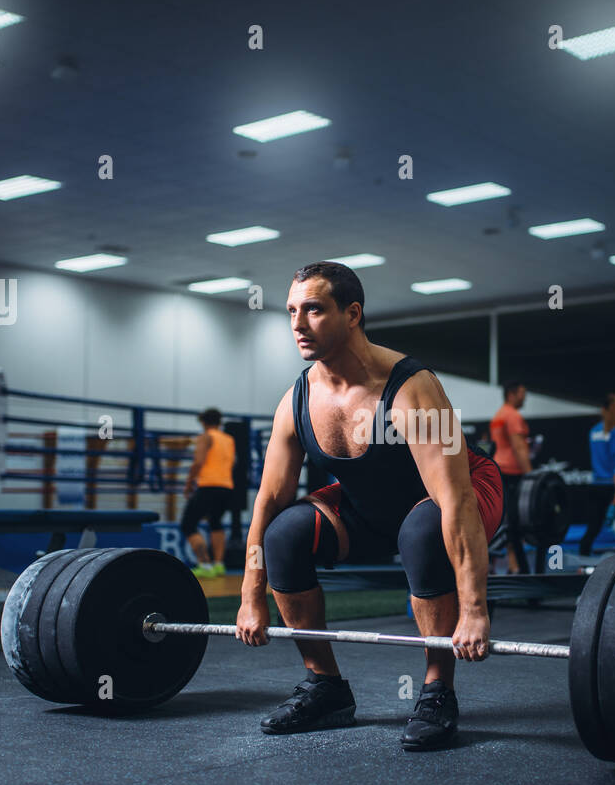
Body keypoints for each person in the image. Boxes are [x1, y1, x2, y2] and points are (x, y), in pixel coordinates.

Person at [237, 261, 504, 751]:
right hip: (370, 506)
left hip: (463, 493)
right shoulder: (295, 401)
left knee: (423, 529)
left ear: (353, 313)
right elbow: (268, 502)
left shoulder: (412, 388)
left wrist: (475, 609)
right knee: (284, 534)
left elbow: (455, 498)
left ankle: (437, 690)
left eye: (314, 309)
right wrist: (251, 594)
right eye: (292, 311)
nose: (297, 324)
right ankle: (326, 688)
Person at [180, 408, 236, 578]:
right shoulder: (228, 439)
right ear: (219, 422)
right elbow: (232, 463)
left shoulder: (206, 436)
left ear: (203, 422)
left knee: (188, 524)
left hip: (208, 486)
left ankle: (205, 564)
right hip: (226, 487)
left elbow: (198, 462)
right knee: (216, 523)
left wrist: (189, 484)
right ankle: (219, 565)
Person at [489, 380, 532, 574]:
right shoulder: (513, 416)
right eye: (522, 393)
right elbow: (519, 447)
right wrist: (531, 477)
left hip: (499, 472)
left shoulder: (498, 415)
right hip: (513, 475)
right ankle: (519, 569)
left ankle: (513, 565)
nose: (525, 397)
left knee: (507, 523)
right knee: (514, 525)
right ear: (512, 394)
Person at [581, 393, 615, 555]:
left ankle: (582, 559)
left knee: (592, 528)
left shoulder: (594, 431)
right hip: (612, 486)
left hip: (596, 486)